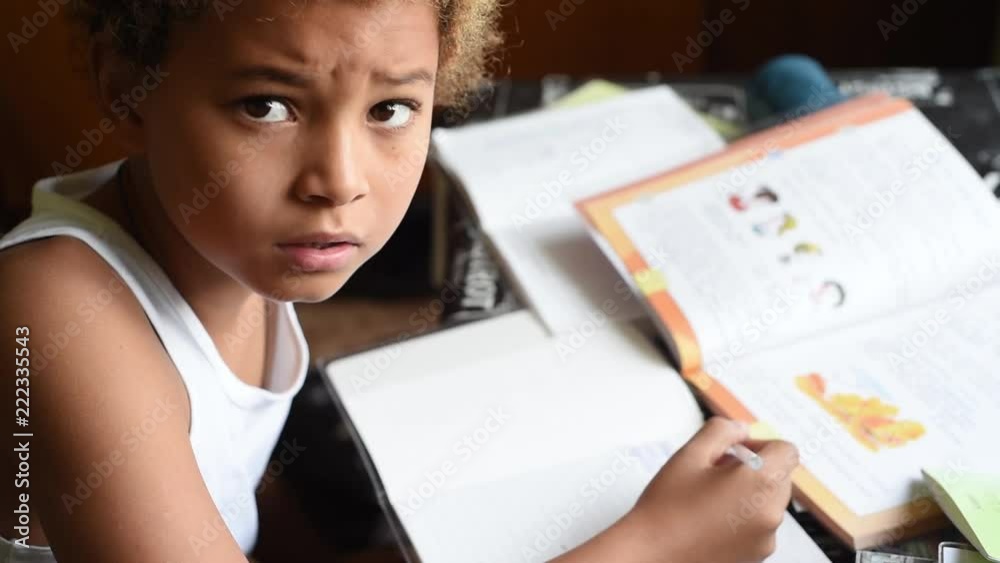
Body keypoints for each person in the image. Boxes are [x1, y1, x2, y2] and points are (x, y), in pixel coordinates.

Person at [0, 1, 799, 562]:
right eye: (266, 106)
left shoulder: (225, 240)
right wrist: (656, 547)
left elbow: (221, 479)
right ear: (125, 85)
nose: (337, 182)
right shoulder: (55, 311)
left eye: (389, 111)